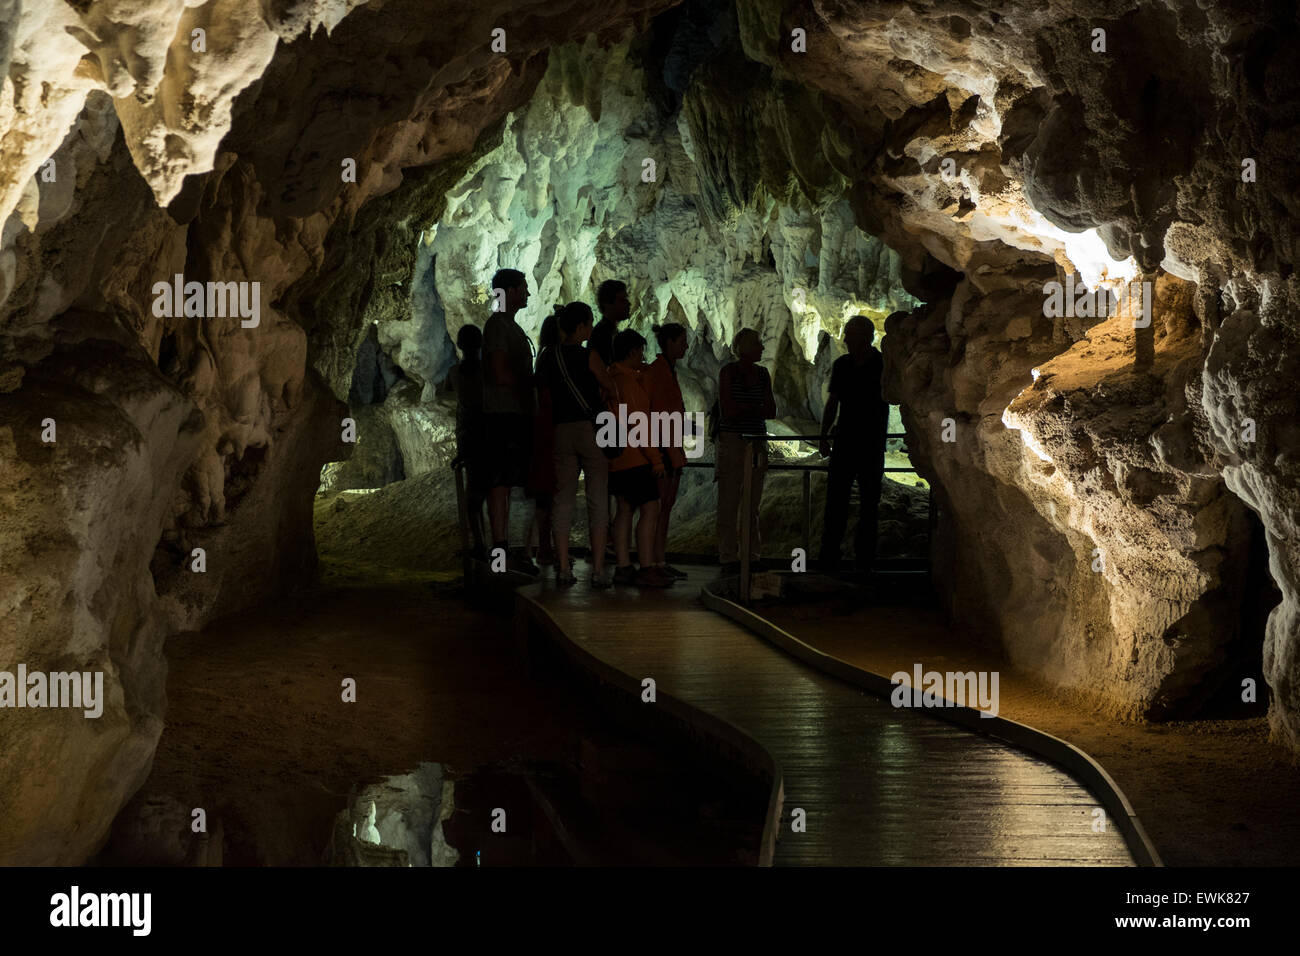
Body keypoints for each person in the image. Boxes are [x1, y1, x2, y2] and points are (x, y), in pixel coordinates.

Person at [539, 302, 616, 588]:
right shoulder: (588, 355)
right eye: (589, 323)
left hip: (561, 430)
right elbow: (610, 386)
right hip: (590, 429)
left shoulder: (549, 357)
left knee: (563, 499)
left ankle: (562, 568)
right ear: (581, 326)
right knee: (597, 498)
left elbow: (543, 393)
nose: (591, 328)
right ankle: (597, 570)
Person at [819, 315, 889, 571]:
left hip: (870, 442)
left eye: (849, 334)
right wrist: (823, 435)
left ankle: (864, 561)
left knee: (869, 504)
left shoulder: (882, 365)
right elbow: (833, 402)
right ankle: (829, 558)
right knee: (836, 502)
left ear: (864, 337)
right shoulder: (842, 365)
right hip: (845, 441)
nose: (845, 338)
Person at [607, 330, 673, 588]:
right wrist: (655, 459)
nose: (643, 358)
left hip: (617, 457)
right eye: (641, 353)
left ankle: (623, 566)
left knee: (624, 510)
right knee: (650, 508)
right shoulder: (628, 385)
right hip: (636, 458)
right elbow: (639, 424)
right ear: (633, 351)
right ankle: (646, 566)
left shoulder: (612, 379)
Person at [482, 268, 537, 573]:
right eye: (524, 288)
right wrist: (528, 384)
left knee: (507, 480)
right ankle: (500, 551)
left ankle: (505, 550)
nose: (528, 294)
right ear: (512, 291)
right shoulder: (498, 326)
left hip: (512, 413)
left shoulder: (509, 326)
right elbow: (499, 373)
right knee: (500, 481)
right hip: (503, 414)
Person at [715, 328, 775, 574]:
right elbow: (727, 410)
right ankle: (728, 556)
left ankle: (751, 554)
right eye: (758, 344)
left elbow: (772, 411)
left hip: (757, 441)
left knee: (753, 502)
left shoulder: (763, 374)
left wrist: (744, 408)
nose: (762, 348)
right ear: (744, 348)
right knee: (729, 499)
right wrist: (755, 408)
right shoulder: (728, 372)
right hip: (732, 440)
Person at [644, 322, 689, 579]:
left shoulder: (668, 371)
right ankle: (652, 562)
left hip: (670, 447)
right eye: (682, 341)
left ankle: (659, 560)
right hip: (662, 448)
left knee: (666, 507)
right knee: (659, 507)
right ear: (669, 343)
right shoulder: (657, 372)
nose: (685, 346)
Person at [448, 324, 487, 557]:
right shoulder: (487, 371)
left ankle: (480, 543)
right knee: (490, 492)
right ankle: (495, 545)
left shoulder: (455, 372)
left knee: (473, 495)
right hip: (488, 433)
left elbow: (446, 387)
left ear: (460, 345)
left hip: (468, 437)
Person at [525, 314, 560, 568]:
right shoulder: (552, 357)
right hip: (549, 431)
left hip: (542, 431)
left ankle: (542, 548)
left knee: (544, 496)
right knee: (548, 495)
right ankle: (544, 549)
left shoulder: (544, 357)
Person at [590, 279, 630, 368]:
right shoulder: (602, 335)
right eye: (622, 300)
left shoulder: (610, 332)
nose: (628, 303)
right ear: (607, 304)